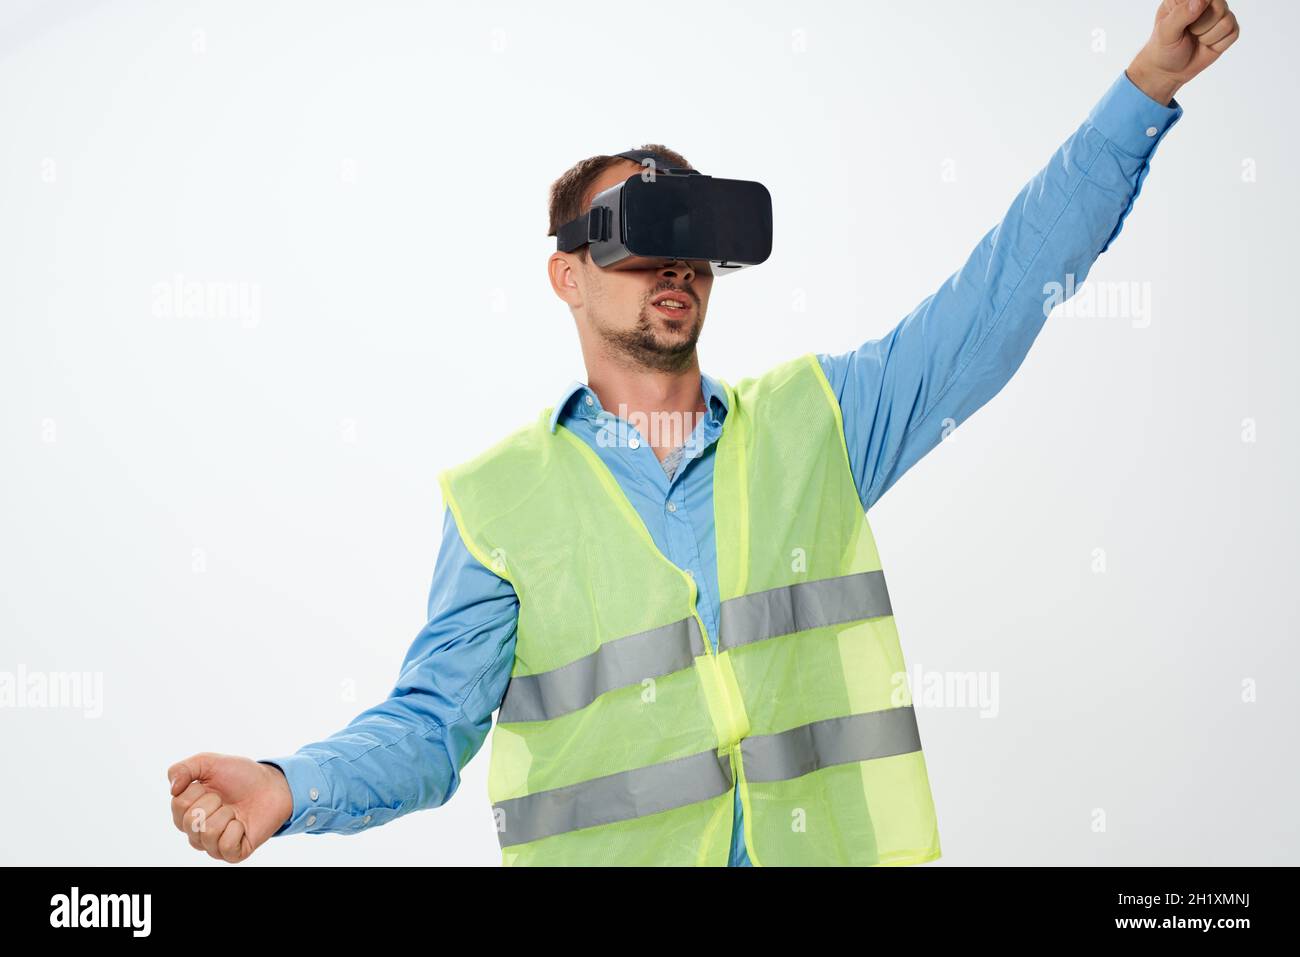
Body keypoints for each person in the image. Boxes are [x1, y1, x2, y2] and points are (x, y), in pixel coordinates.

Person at [168, 0, 1240, 865]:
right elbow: (428, 728)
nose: (675, 266)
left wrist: (1138, 94)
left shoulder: (818, 421)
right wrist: (291, 783)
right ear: (567, 274)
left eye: (695, 241)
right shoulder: (495, 501)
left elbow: (995, 299)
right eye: (641, 235)